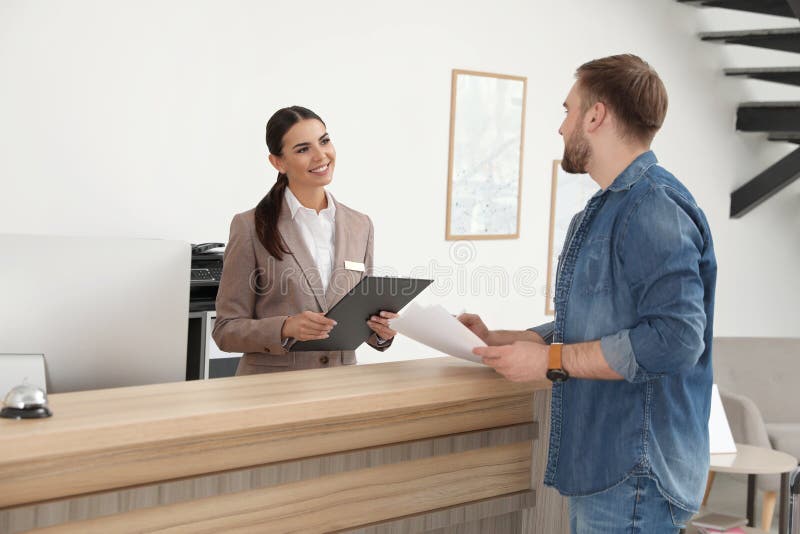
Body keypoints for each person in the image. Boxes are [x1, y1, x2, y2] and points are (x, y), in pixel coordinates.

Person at [459, 55, 717, 533]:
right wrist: (504, 337)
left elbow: (676, 339)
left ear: (595, 116)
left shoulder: (652, 208)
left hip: (635, 472)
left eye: (567, 110)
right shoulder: (607, 210)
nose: (561, 127)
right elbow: (600, 323)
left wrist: (551, 360)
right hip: (611, 469)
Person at [213, 106, 396, 374]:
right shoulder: (250, 226)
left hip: (341, 387)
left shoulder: (360, 225)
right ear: (278, 162)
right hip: (273, 390)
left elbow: (359, 316)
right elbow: (225, 330)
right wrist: (285, 327)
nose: (321, 156)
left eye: (324, 141)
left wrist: (382, 331)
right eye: (302, 149)